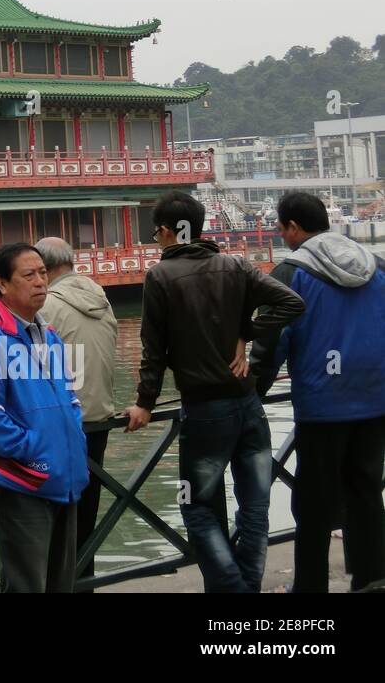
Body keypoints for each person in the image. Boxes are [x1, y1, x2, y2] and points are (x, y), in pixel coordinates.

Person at [125, 191, 304, 593]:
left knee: (195, 506)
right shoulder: (235, 265)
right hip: (249, 404)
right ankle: (246, 586)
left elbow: (153, 350)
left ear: (167, 231)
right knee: (255, 506)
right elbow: (291, 303)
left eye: (156, 233)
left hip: (204, 411)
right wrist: (246, 332)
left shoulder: (160, 276)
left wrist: (145, 403)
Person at [249, 192, 385, 592]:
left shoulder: (291, 273)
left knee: (314, 502)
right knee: (366, 489)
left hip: (322, 406)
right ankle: (372, 577)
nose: (282, 236)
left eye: (281, 229)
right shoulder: (377, 266)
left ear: (293, 227)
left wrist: (253, 392)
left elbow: (269, 343)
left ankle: (310, 586)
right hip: (375, 399)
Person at [0, 242, 89, 592]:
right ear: (2, 283)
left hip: (65, 480)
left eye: (43, 273)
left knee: (61, 584)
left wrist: (72, 444)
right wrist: (34, 451)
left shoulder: (51, 336)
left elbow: (71, 399)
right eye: (28, 275)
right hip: (22, 482)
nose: (40, 281)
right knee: (26, 586)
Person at [36, 236, 118, 589]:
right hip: (99, 417)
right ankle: (84, 583)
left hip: (64, 424)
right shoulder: (101, 297)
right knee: (85, 516)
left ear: (44, 268)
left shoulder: (48, 305)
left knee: (53, 520)